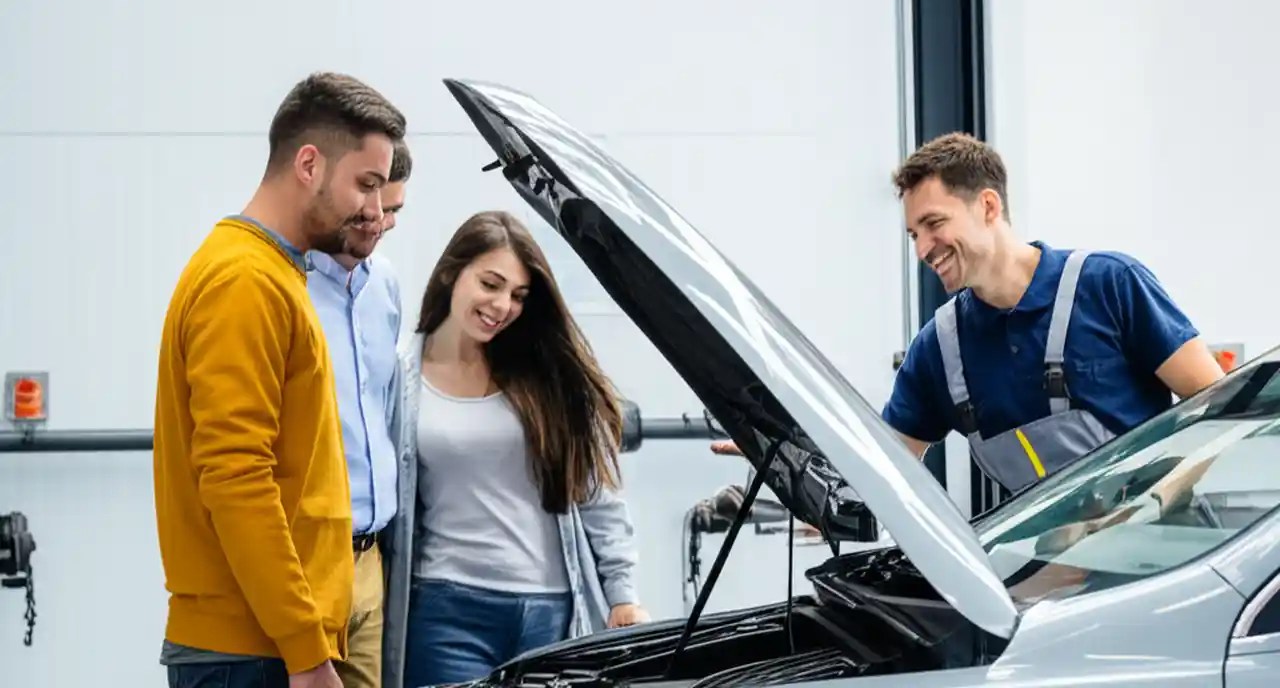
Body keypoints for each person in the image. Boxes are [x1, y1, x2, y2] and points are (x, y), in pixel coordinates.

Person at [712, 132, 1224, 495]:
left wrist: (1155, 505)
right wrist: (794, 453)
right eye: (914, 234)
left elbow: (1222, 410)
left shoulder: (1109, 285)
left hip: (1162, 568)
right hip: (1049, 583)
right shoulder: (941, 349)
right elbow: (886, 470)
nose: (922, 249)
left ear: (988, 207)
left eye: (934, 224)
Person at [152, 71, 406, 688]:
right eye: (366, 184)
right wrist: (306, 653)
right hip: (252, 651)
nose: (376, 212)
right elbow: (237, 477)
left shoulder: (272, 272)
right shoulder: (245, 281)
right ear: (309, 164)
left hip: (268, 642)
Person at [379, 210, 649, 688]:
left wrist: (622, 594)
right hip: (446, 611)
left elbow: (596, 495)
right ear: (451, 273)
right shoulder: (400, 375)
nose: (502, 305)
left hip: (550, 615)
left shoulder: (546, 376)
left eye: (519, 295)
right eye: (490, 284)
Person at [305, 138, 414, 688]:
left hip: (369, 562)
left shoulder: (386, 285)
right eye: (371, 204)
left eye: (393, 210)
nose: (380, 221)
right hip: (305, 560)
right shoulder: (287, 284)